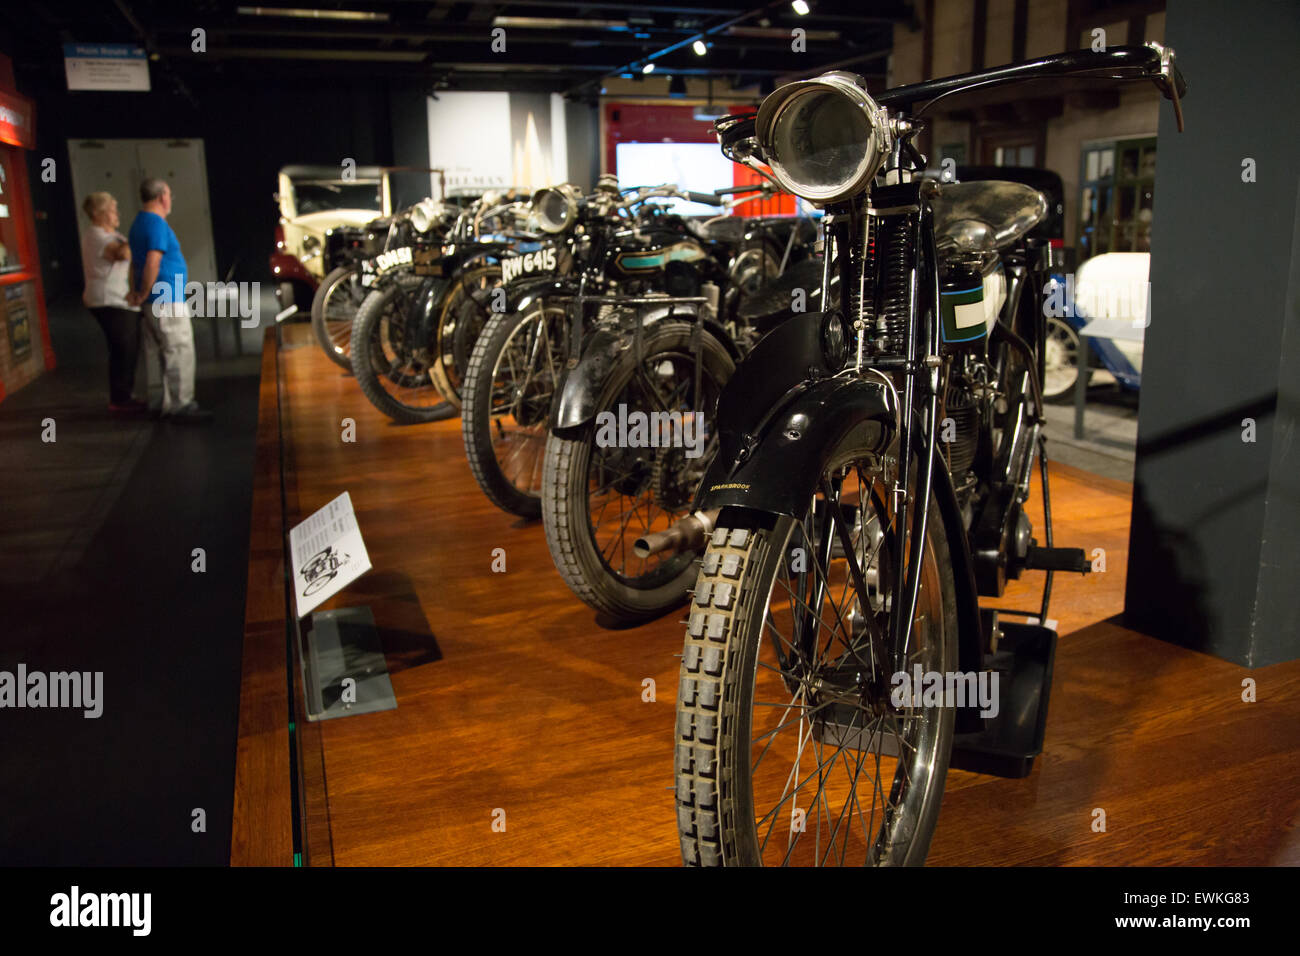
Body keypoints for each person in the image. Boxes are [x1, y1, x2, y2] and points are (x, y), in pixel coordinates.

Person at [126, 178, 212, 423]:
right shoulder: (156, 224)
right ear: (162, 197)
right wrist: (144, 292)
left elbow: (134, 264)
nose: (170, 200)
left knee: (155, 352)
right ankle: (181, 405)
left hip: (153, 301)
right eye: (170, 195)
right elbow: (152, 261)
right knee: (178, 349)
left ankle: (160, 402)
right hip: (166, 298)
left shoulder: (137, 223)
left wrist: (137, 292)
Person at [80, 192, 144, 412]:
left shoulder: (111, 234)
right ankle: (120, 400)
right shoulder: (96, 236)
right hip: (109, 300)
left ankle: (123, 396)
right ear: (99, 213)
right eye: (112, 210)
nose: (117, 214)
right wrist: (138, 236)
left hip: (118, 299)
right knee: (123, 350)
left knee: (127, 349)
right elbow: (122, 254)